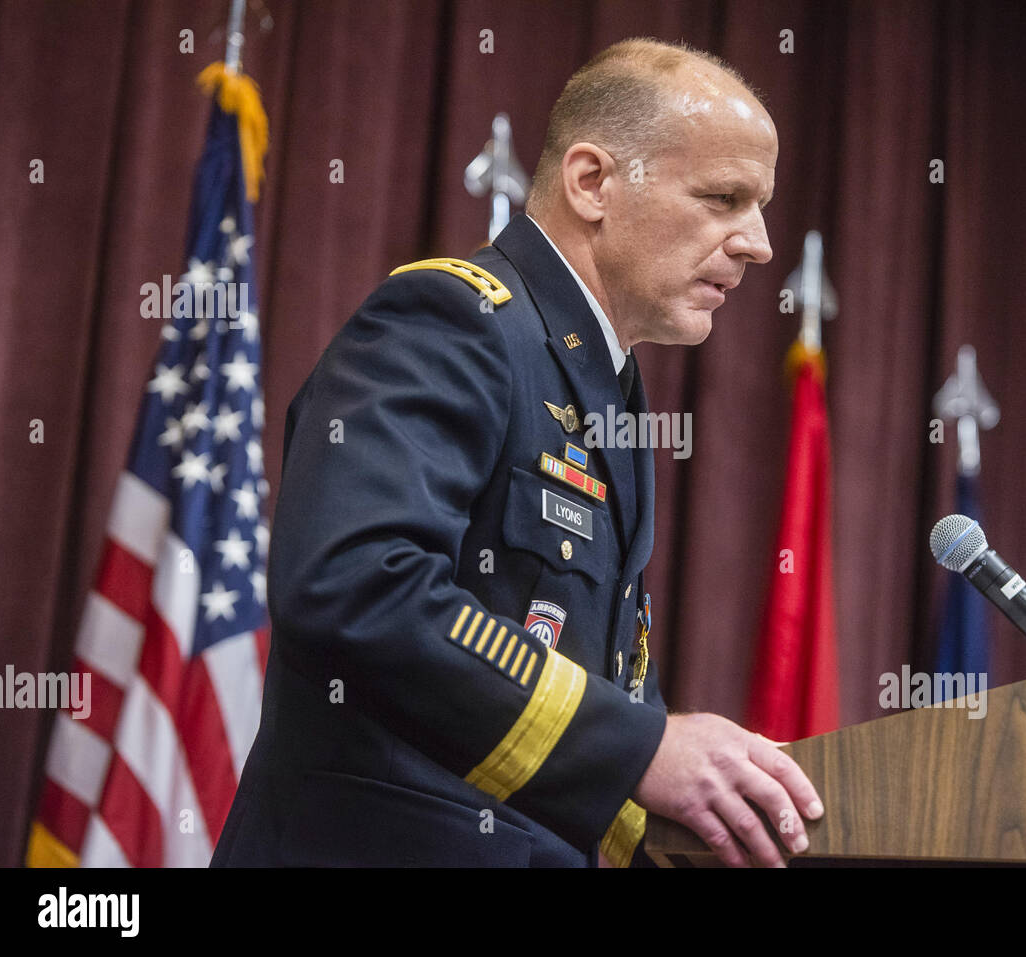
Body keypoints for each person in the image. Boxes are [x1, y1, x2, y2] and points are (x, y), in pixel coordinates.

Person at [212, 37, 822, 869]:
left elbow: (583, 692)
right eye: (722, 197)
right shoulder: (455, 319)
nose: (756, 243)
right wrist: (642, 748)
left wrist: (723, 817)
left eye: (759, 209)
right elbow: (355, 582)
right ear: (592, 182)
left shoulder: (601, 385)